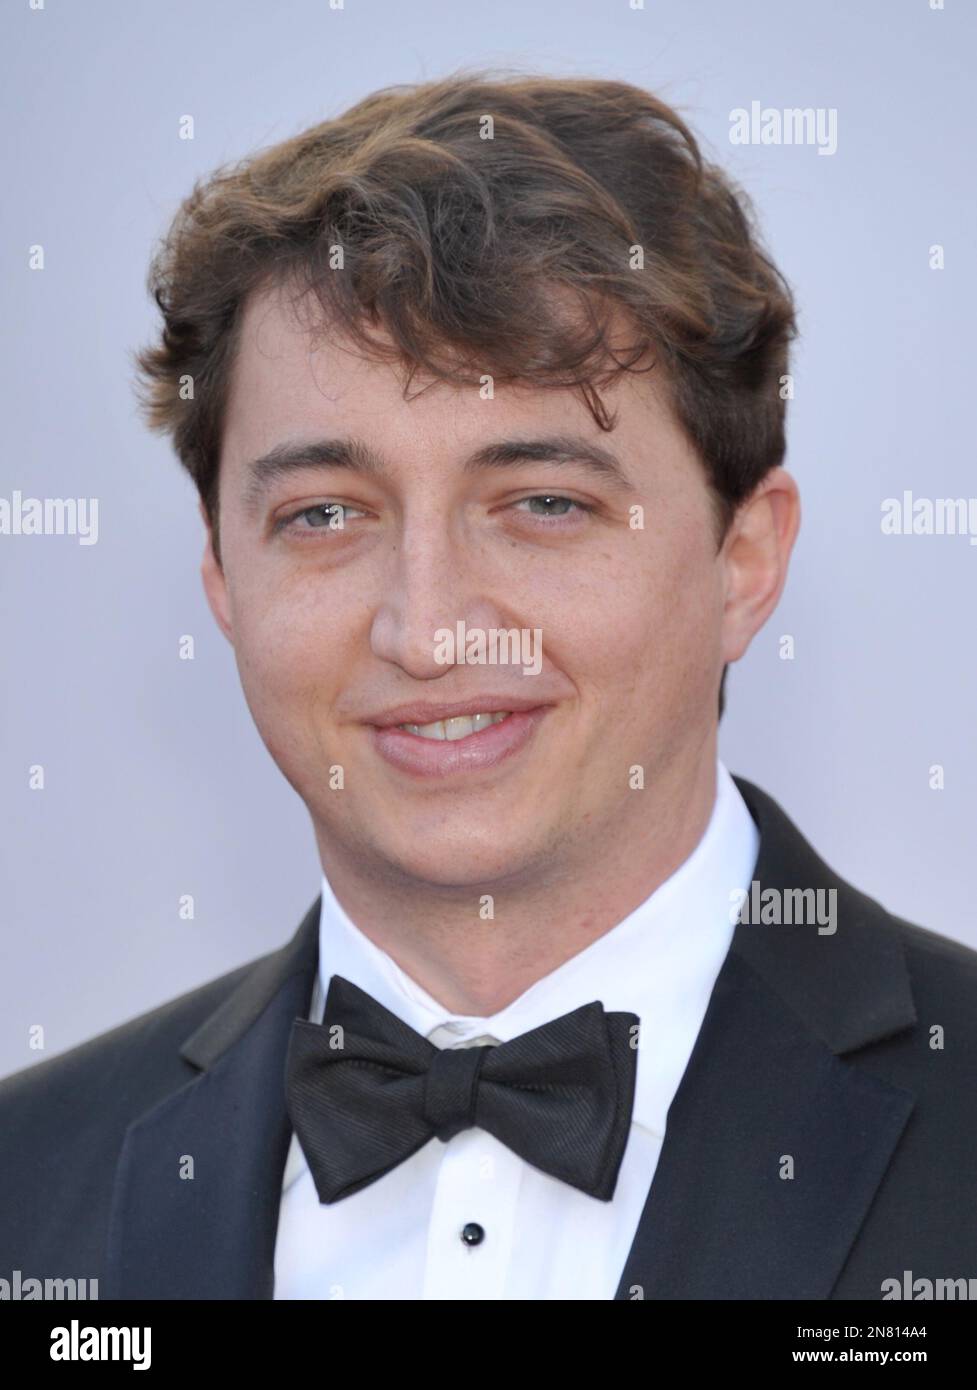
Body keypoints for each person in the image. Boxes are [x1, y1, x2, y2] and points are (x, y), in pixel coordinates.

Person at [2, 70, 975, 1302]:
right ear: (221, 577)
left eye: (543, 504)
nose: (427, 629)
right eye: (323, 515)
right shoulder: (24, 1186)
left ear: (742, 558)